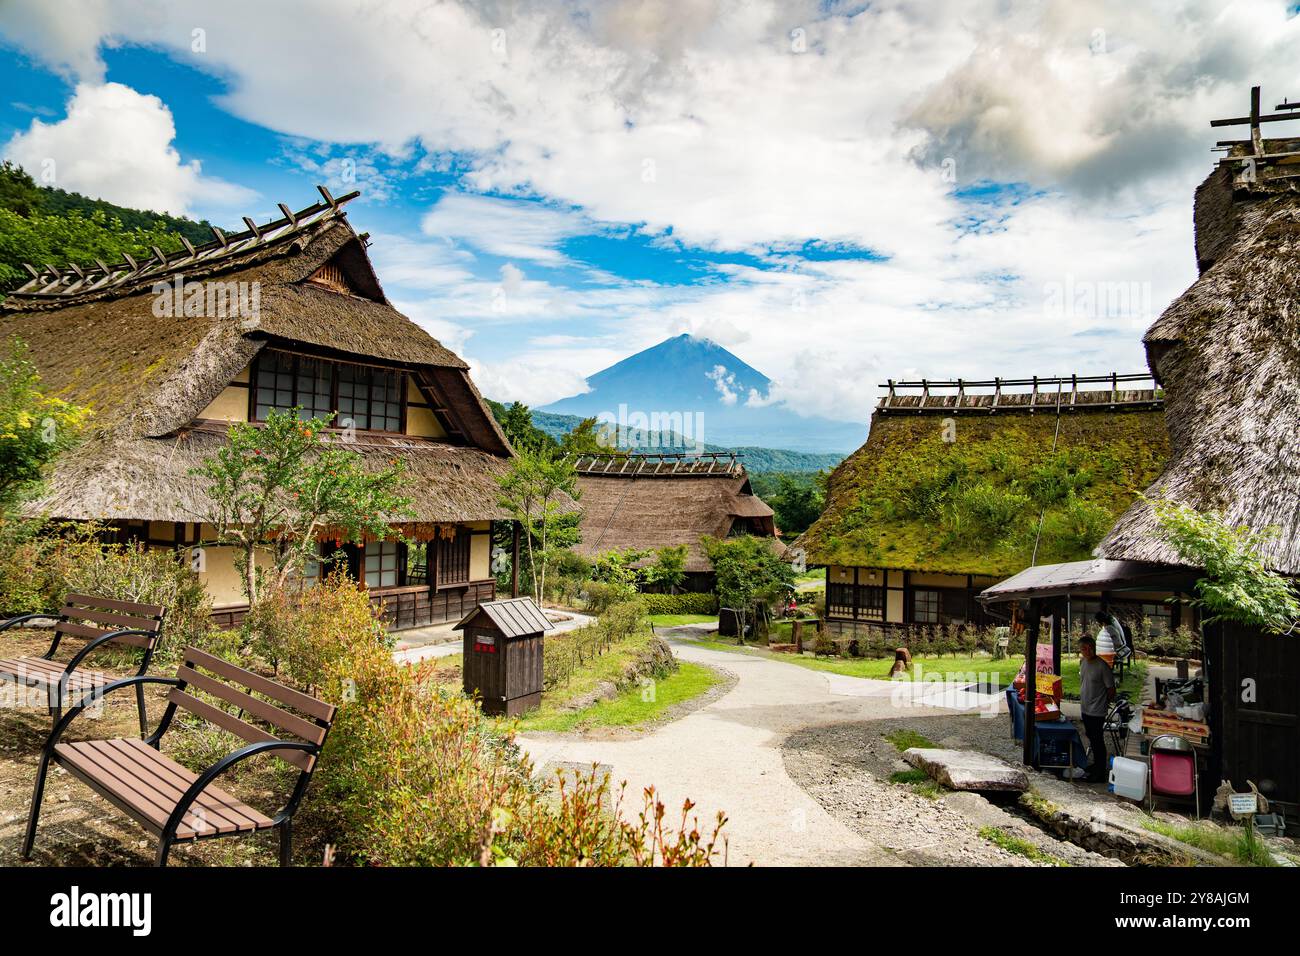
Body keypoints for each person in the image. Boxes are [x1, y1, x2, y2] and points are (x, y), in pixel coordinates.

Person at [1078, 634, 1116, 783]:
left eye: (1089, 648)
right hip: (1085, 707)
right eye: (1083, 648)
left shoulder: (1102, 665)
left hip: (1097, 710)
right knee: (1091, 737)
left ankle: (1100, 772)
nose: (1087, 651)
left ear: (1094, 647)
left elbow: (1111, 689)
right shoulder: (1083, 662)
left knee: (1097, 739)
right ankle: (1096, 765)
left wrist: (1104, 703)